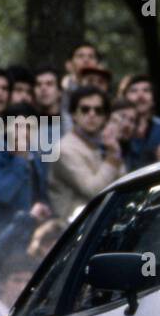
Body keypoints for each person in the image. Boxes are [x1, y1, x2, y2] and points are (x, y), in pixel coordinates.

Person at [0, 102, 51, 246]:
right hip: (0, 237)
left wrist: (44, 208)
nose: (23, 133)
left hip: (32, 233)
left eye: (28, 128)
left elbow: (41, 193)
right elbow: (3, 193)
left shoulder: (36, 157)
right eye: (17, 127)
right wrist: (20, 160)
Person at [48, 86, 124, 219]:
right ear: (73, 114)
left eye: (98, 110)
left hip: (103, 218)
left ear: (105, 117)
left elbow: (123, 182)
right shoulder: (63, 150)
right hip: (73, 228)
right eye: (85, 109)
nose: (92, 114)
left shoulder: (103, 142)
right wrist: (113, 156)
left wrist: (114, 150)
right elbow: (94, 191)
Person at [119, 74, 160, 170]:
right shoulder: (115, 128)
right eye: (134, 91)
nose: (140, 96)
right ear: (124, 98)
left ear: (153, 99)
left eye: (146, 90)